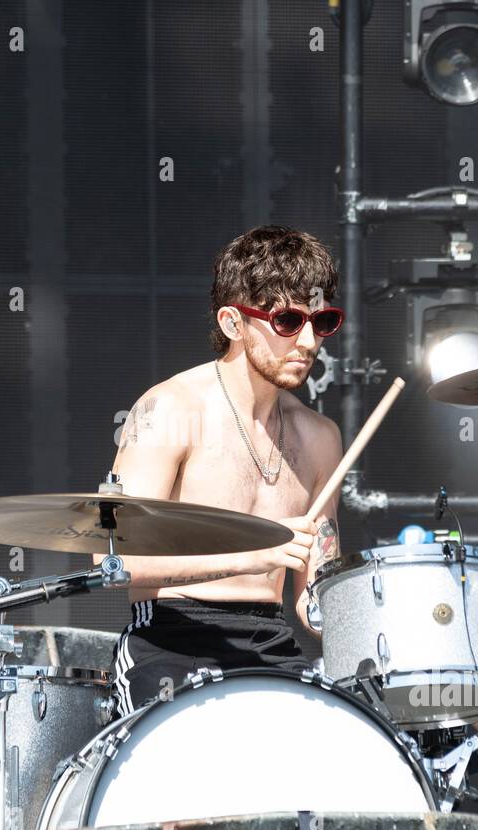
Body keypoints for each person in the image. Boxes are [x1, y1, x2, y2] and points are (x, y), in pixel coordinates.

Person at [105, 225, 347, 716]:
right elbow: (113, 561)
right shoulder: (167, 409)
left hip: (272, 645)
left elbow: (313, 598)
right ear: (234, 323)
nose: (307, 341)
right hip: (170, 641)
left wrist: (366, 603)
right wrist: (255, 554)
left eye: (321, 322)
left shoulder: (321, 437)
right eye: (286, 321)